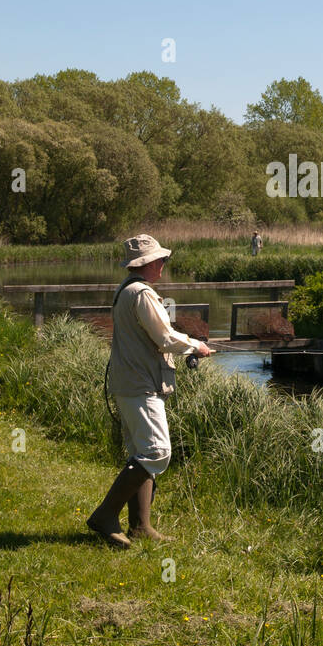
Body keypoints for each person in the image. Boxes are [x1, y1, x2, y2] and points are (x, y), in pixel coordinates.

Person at [87, 234, 212, 549]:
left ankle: (141, 526)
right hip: (140, 385)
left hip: (131, 383)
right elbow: (166, 338)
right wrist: (196, 345)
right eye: (160, 260)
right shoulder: (142, 294)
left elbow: (160, 336)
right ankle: (104, 515)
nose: (163, 264)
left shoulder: (126, 290)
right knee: (156, 452)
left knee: (141, 452)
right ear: (146, 263)